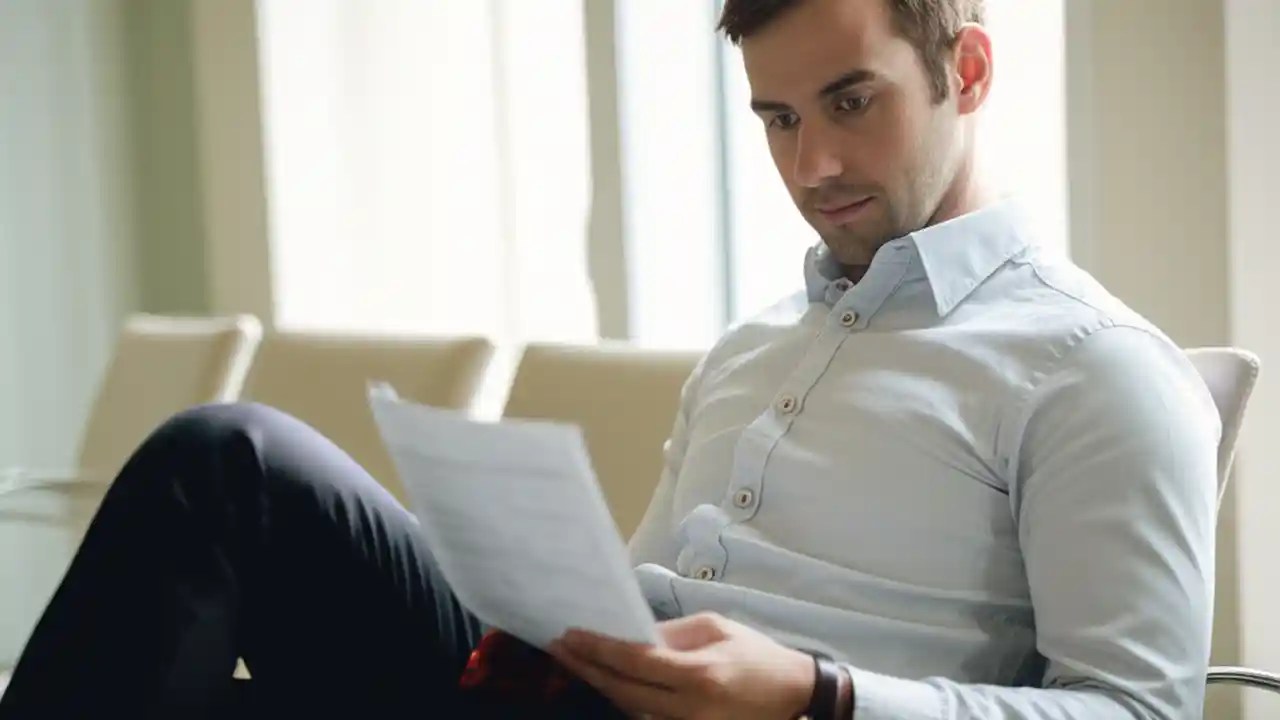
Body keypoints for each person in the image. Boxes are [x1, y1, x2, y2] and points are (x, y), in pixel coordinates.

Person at [1, 0, 1220, 717]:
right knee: (226, 470)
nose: (810, 167)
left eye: (851, 102)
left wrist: (816, 693)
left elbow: (1132, 709)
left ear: (968, 70)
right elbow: (642, 594)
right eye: (778, 119)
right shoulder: (752, 348)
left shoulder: (1095, 370)